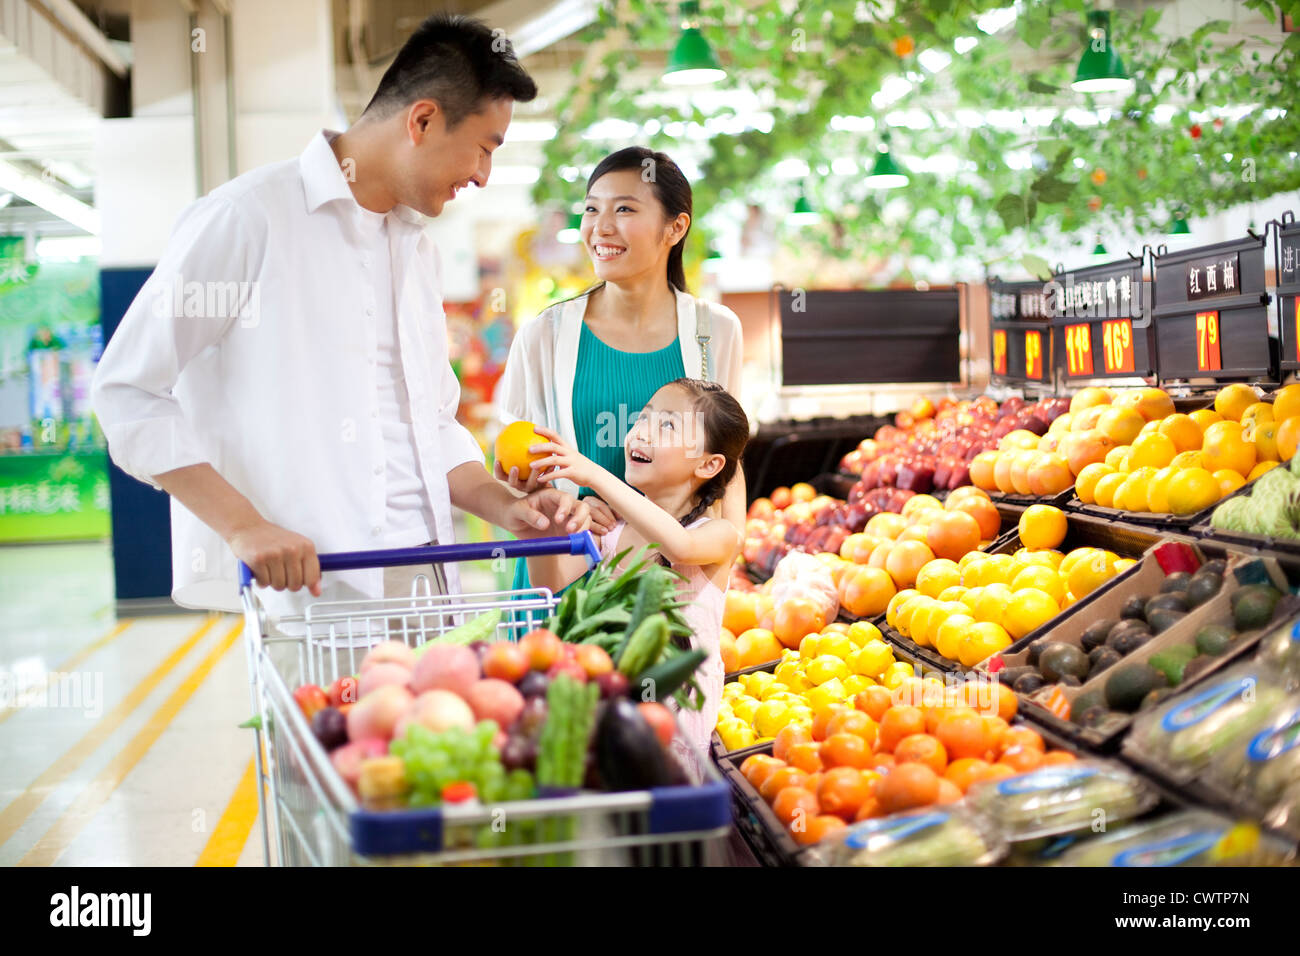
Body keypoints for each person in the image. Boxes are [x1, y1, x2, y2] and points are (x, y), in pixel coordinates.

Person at [91, 14, 587, 616]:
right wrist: (243, 526)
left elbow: (430, 422)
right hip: (316, 599)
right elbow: (127, 391)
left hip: (428, 583)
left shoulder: (415, 249)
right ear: (423, 119)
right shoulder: (249, 218)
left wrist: (502, 504)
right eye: (485, 147)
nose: (483, 175)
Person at [495, 146, 746, 593]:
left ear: (676, 226)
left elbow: (730, 460)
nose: (600, 227)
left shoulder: (715, 331)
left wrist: (724, 568)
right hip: (564, 573)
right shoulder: (544, 336)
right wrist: (554, 502)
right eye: (591, 209)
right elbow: (517, 459)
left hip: (668, 581)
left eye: (625, 209)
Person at [520, 378, 749, 781]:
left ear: (709, 464)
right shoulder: (610, 530)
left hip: (677, 746)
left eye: (668, 426)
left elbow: (678, 546)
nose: (642, 431)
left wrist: (593, 476)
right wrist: (540, 514)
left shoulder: (716, 536)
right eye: (644, 417)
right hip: (613, 724)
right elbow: (550, 582)